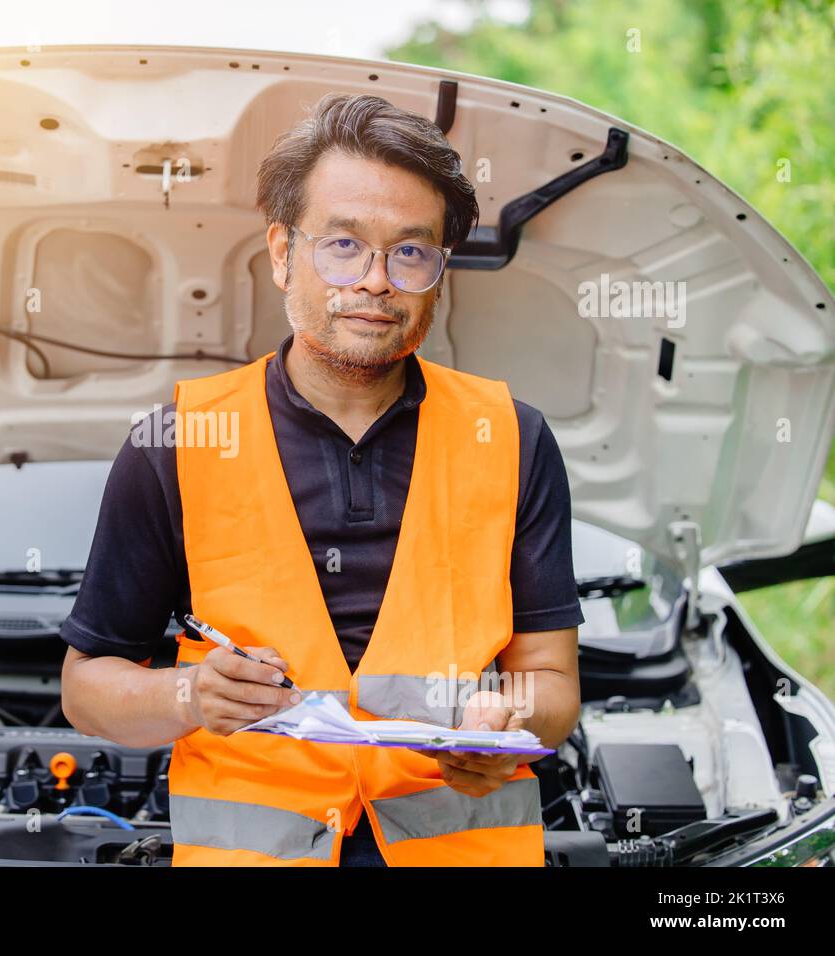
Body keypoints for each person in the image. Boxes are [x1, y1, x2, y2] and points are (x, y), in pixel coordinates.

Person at [60, 92, 582, 866]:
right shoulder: (177, 441)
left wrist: (512, 724)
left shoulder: (514, 438)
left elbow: (549, 680)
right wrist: (190, 696)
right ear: (281, 253)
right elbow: (88, 688)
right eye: (343, 244)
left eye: (411, 251)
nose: (376, 280)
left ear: (439, 271)